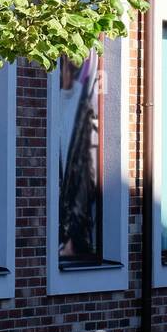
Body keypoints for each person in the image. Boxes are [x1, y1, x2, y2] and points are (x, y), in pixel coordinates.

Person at [59, 53, 100, 260]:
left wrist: (73, 237)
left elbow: (86, 173)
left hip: (71, 237)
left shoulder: (83, 106)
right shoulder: (57, 101)